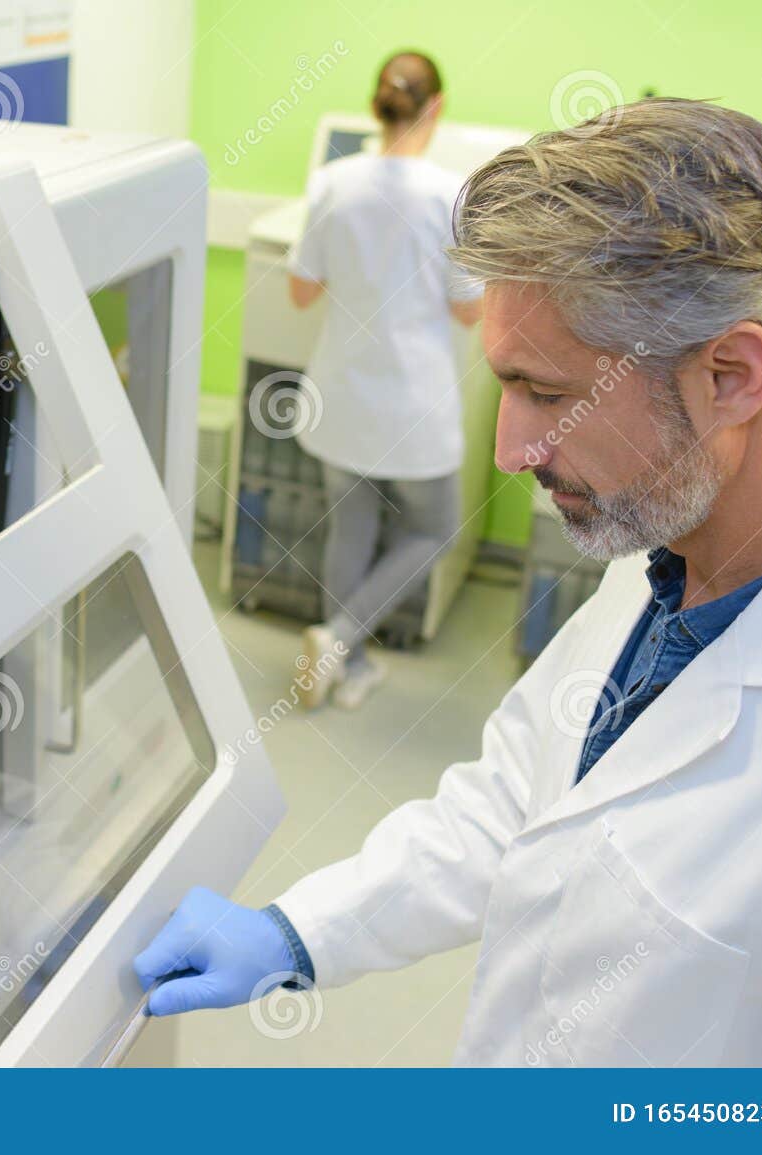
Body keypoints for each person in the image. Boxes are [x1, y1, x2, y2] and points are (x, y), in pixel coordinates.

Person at [135, 99, 762, 1065]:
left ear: (730, 375)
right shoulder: (680, 544)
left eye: (549, 395)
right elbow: (518, 801)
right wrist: (300, 933)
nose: (514, 451)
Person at [283, 50, 483, 711]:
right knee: (433, 530)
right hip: (410, 400)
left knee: (353, 526)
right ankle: (341, 640)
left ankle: (343, 658)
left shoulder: (333, 182)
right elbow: (469, 308)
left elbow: (301, 292)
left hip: (342, 393)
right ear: (437, 107)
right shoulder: (450, 195)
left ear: (376, 104)